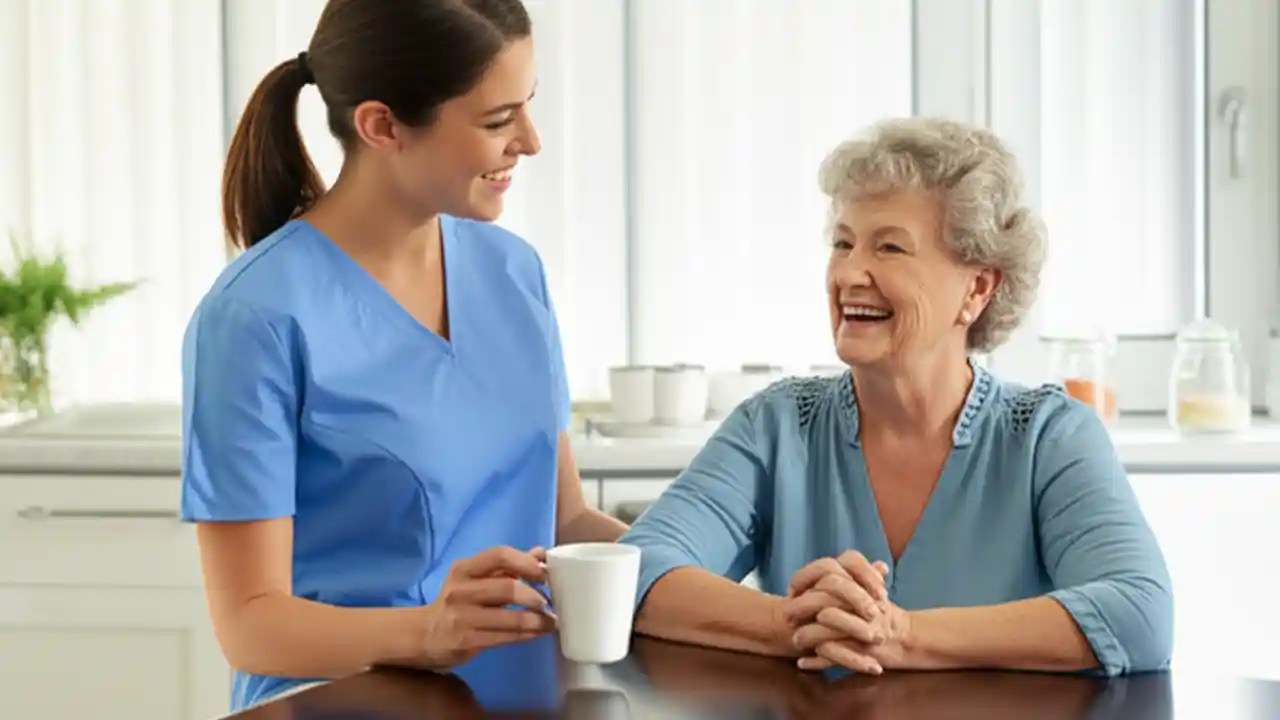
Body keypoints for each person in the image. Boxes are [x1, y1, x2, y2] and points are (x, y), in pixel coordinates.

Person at [180, 0, 626, 711]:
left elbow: (566, 523)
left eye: (528, 107)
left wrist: (711, 573)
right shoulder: (255, 316)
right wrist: (428, 633)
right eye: (496, 120)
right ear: (382, 125)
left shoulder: (513, 272)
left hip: (515, 696)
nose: (532, 142)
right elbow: (251, 625)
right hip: (336, 701)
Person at [618, 117, 1173, 677]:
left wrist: (902, 635)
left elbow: (1139, 614)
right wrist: (799, 624)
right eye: (842, 243)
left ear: (978, 288)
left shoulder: (1049, 437)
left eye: (889, 247)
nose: (850, 273)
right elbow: (637, 570)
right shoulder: (777, 425)